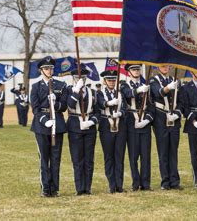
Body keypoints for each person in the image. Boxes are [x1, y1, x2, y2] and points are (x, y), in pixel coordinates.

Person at [30, 56, 68, 197]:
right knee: (44, 159)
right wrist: (44, 120)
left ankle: (54, 188)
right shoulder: (35, 87)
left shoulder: (60, 85)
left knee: (56, 158)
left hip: (57, 124)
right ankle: (45, 188)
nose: (49, 70)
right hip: (42, 125)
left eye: (51, 68)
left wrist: (56, 103)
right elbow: (35, 108)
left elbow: (63, 107)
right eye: (46, 68)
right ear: (41, 70)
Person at [149, 65, 183, 190]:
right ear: (158, 67)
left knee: (173, 151)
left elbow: (180, 101)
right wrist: (169, 87)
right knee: (163, 152)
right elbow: (159, 93)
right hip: (161, 119)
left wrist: (177, 114)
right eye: (162, 66)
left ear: (169, 67)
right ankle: (165, 181)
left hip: (173, 118)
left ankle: (175, 181)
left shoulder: (174, 81)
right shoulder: (154, 80)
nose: (164, 68)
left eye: (166, 66)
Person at [121, 64, 154, 191]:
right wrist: (139, 90)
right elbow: (128, 94)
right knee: (133, 155)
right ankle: (136, 183)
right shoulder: (124, 84)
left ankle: (146, 183)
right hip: (131, 121)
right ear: (129, 71)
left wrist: (147, 120)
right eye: (133, 69)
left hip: (144, 121)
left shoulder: (146, 85)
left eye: (138, 69)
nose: (136, 71)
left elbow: (151, 105)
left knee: (145, 155)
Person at [66, 68, 99, 196]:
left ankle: (88, 187)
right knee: (77, 159)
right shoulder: (69, 90)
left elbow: (97, 112)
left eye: (83, 78)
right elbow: (70, 105)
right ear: (73, 78)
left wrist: (92, 122)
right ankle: (79, 188)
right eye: (78, 78)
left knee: (89, 159)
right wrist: (76, 91)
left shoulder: (93, 92)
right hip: (74, 127)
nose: (81, 80)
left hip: (89, 128)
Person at [97, 69, 127, 193]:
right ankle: (111, 184)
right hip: (106, 127)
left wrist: (120, 112)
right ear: (104, 81)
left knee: (119, 156)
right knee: (109, 157)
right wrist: (109, 103)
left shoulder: (120, 93)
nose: (111, 82)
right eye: (109, 80)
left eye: (113, 80)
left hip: (120, 127)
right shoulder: (100, 93)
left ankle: (119, 185)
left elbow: (125, 107)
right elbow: (100, 104)